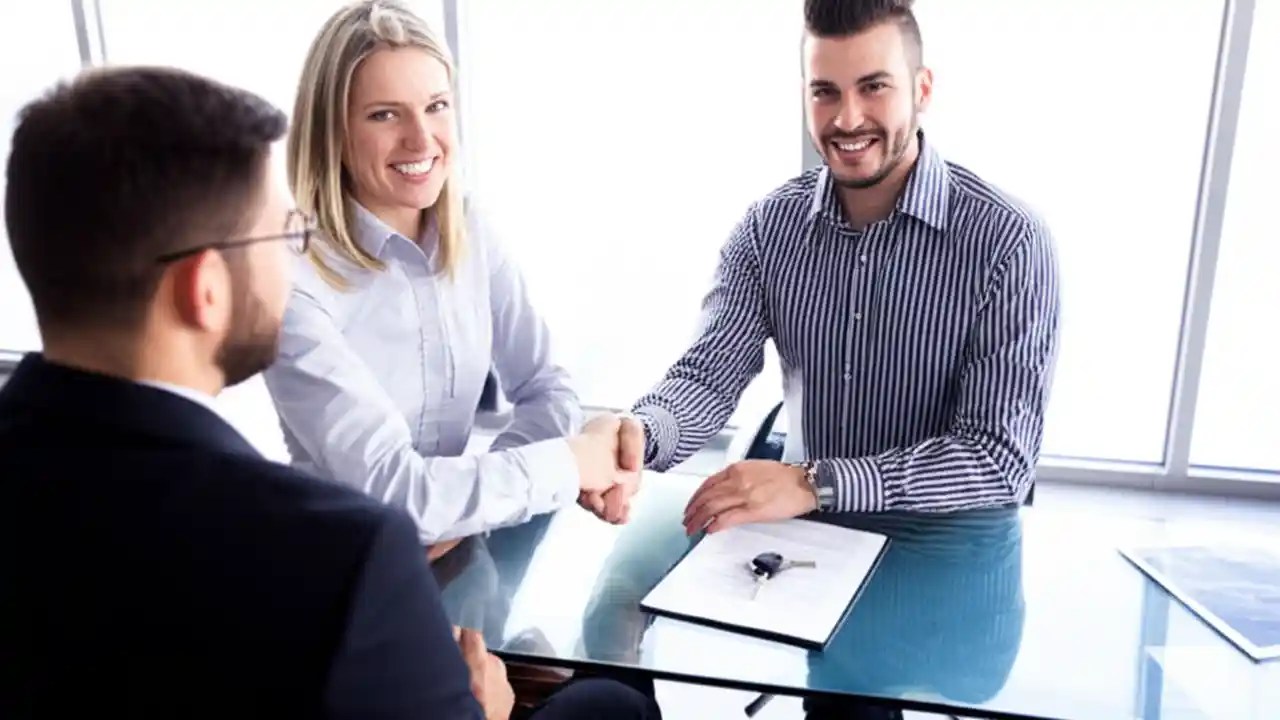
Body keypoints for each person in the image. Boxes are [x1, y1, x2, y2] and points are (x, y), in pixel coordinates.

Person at [0, 65, 658, 720]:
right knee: (611, 703)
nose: (296, 264)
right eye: (285, 237)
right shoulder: (337, 558)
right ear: (205, 292)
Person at [619, 0, 1062, 536]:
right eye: (824, 91)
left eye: (873, 86)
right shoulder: (768, 228)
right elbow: (707, 377)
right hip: (805, 538)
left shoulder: (1010, 241)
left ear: (922, 90)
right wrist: (636, 434)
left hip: (947, 545)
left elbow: (997, 459)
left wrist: (814, 483)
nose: (846, 118)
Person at [262, 0, 641, 553]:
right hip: (341, 580)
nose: (422, 140)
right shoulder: (291, 281)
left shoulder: (470, 229)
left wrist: (473, 504)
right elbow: (400, 497)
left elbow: (545, 390)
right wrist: (566, 464)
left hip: (459, 563)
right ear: (333, 133)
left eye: (436, 106)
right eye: (384, 115)